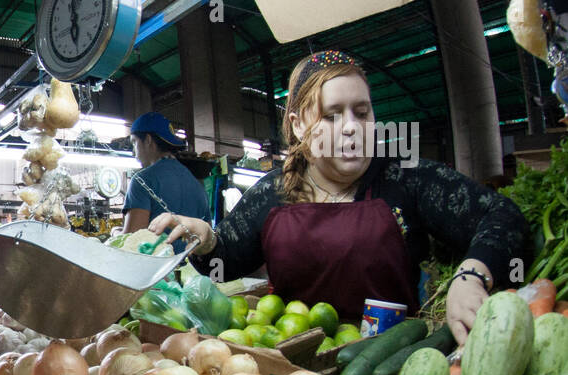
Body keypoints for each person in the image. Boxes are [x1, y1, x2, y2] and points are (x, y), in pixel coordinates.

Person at [150, 50, 531, 344]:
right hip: (295, 369)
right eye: (332, 115)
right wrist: (205, 238)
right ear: (299, 125)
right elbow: (226, 261)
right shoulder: (273, 191)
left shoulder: (405, 177)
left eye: (361, 112)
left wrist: (472, 275)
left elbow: (503, 217)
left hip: (390, 364)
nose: (351, 128)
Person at [122, 112, 209, 235]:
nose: (133, 151)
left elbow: (131, 241)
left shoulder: (142, 180)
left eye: (134, 142)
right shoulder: (198, 185)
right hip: (190, 254)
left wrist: (115, 233)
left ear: (148, 140)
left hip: (156, 255)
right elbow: (206, 236)